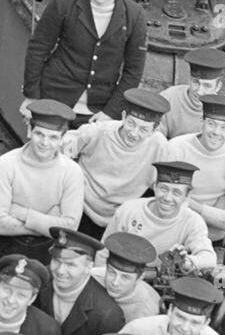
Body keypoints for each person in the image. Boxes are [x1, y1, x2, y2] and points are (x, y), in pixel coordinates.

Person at [22, 0, 147, 123]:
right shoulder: (64, 3)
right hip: (53, 99)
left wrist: (111, 112)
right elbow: (38, 49)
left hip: (98, 110)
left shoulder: (135, 15)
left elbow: (133, 71)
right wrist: (31, 96)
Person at [0, 100, 84, 292]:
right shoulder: (6, 165)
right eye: (39, 134)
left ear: (63, 138)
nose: (45, 143)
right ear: (29, 130)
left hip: (47, 253)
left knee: (37, 310)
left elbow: (69, 227)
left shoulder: (72, 172)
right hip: (4, 249)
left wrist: (21, 213)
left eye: (53, 137)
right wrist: (51, 222)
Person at [62, 89, 169, 233]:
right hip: (80, 206)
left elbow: (164, 184)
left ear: (155, 129)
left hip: (120, 218)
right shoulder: (99, 132)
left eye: (144, 129)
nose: (134, 133)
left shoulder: (159, 147)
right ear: (124, 117)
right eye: (131, 123)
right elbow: (65, 145)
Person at [164, 93, 225, 241]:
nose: (217, 132)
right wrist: (216, 214)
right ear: (201, 123)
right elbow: (164, 197)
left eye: (224, 127)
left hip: (207, 237)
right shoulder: (176, 147)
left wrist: (190, 204)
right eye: (211, 124)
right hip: (170, 228)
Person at [103, 160, 216, 273]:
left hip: (161, 280)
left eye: (176, 193)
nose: (167, 198)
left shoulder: (192, 221)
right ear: (155, 187)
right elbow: (103, 251)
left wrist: (187, 261)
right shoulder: (129, 210)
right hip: (124, 274)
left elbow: (209, 258)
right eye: (163, 189)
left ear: (187, 196)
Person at [35, 229, 125, 335]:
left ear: (88, 267)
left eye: (70, 264)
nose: (60, 271)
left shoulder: (108, 315)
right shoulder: (41, 279)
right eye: (56, 261)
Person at [158, 45, 225, 140]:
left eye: (207, 86)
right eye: (195, 82)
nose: (199, 91)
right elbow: (155, 139)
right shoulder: (168, 98)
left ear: (218, 87)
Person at [91, 232, 160, 322]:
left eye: (125, 277)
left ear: (139, 279)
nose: (115, 283)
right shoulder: (91, 278)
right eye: (111, 272)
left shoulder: (147, 309)